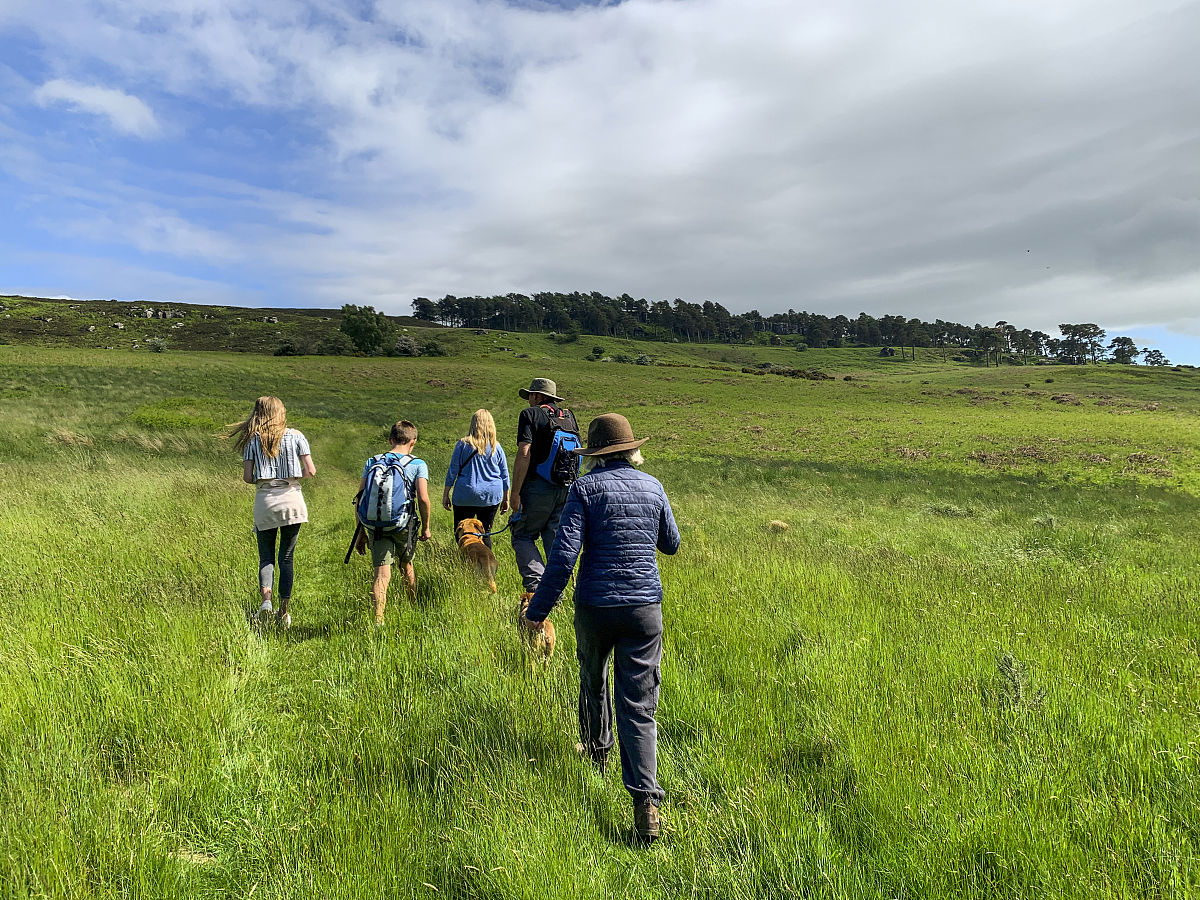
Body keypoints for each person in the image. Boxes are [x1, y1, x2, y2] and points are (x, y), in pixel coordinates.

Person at [520, 413, 681, 843]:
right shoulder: (654, 487)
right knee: (640, 706)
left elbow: (563, 556)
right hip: (644, 607)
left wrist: (538, 609)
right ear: (633, 449)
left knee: (593, 679)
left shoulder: (585, 488)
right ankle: (646, 800)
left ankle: (597, 752)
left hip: (595, 604)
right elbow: (672, 543)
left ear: (594, 453)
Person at [229, 396, 316, 629]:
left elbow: (248, 477)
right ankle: (284, 612)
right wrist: (294, 478)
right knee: (287, 557)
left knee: (266, 556)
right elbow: (311, 471)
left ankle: (266, 603)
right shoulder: (297, 436)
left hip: (265, 500)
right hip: (292, 500)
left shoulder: (252, 441)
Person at [510, 377, 579, 593]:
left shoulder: (529, 415)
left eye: (530, 395)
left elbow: (524, 453)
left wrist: (515, 492)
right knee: (554, 538)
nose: (529, 399)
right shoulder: (568, 417)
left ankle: (536, 588)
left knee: (522, 535)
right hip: (564, 488)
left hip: (537, 487)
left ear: (538, 396)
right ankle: (562, 589)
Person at [360, 420, 431, 625]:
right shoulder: (418, 464)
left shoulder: (372, 461)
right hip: (403, 524)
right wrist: (426, 527)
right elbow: (424, 498)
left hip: (375, 524)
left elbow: (360, 498)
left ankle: (378, 619)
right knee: (406, 564)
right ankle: (413, 606)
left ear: (390, 439)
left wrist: (362, 532)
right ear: (413, 442)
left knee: (381, 574)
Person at [442, 409, 510, 548]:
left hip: (465, 494)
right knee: (485, 532)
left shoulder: (462, 444)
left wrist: (446, 493)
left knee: (462, 531)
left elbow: (452, 471)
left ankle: (466, 560)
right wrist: (506, 497)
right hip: (491, 496)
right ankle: (486, 562)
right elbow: (504, 474)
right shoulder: (497, 447)